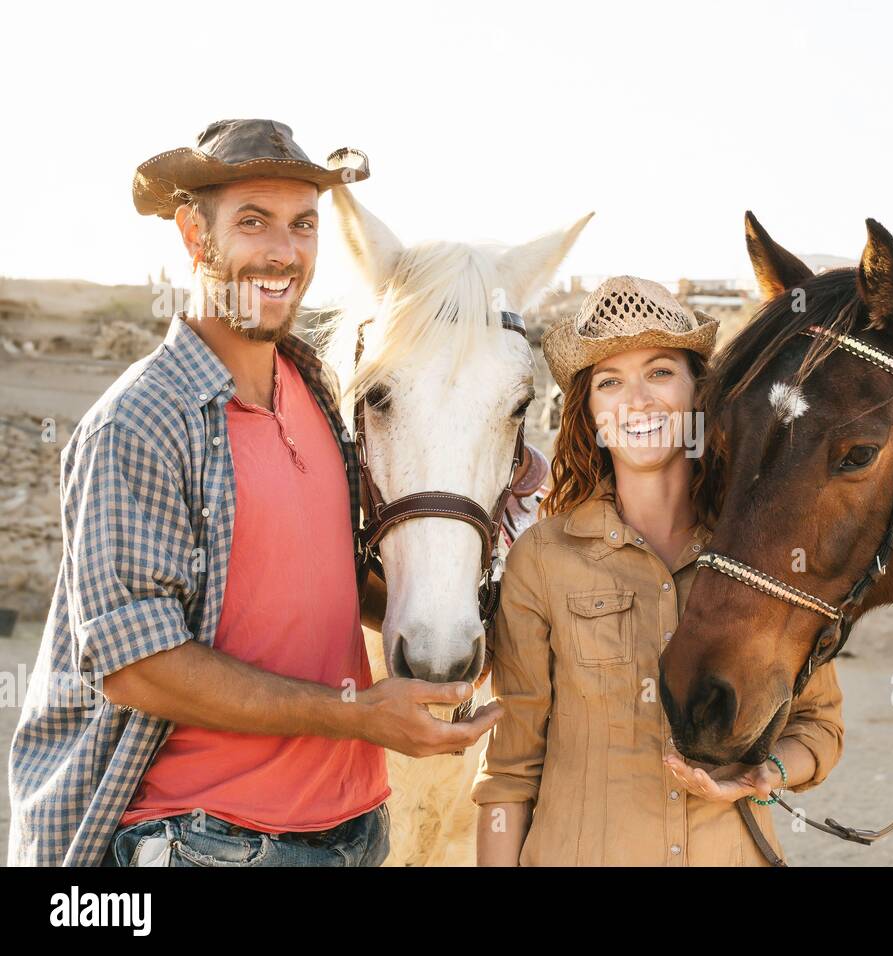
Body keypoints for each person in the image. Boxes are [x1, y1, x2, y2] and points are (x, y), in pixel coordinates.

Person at [7, 119, 499, 867]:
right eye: (252, 222)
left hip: (353, 834)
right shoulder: (141, 421)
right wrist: (356, 715)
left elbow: (324, 574)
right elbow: (137, 665)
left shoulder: (315, 392)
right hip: (204, 839)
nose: (282, 251)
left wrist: (451, 617)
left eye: (303, 225)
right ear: (194, 236)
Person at [472, 276, 844, 865]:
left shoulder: (763, 553)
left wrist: (764, 773)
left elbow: (818, 725)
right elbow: (510, 773)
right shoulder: (542, 559)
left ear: (702, 391)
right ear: (588, 412)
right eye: (610, 382)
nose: (637, 400)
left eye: (661, 371)